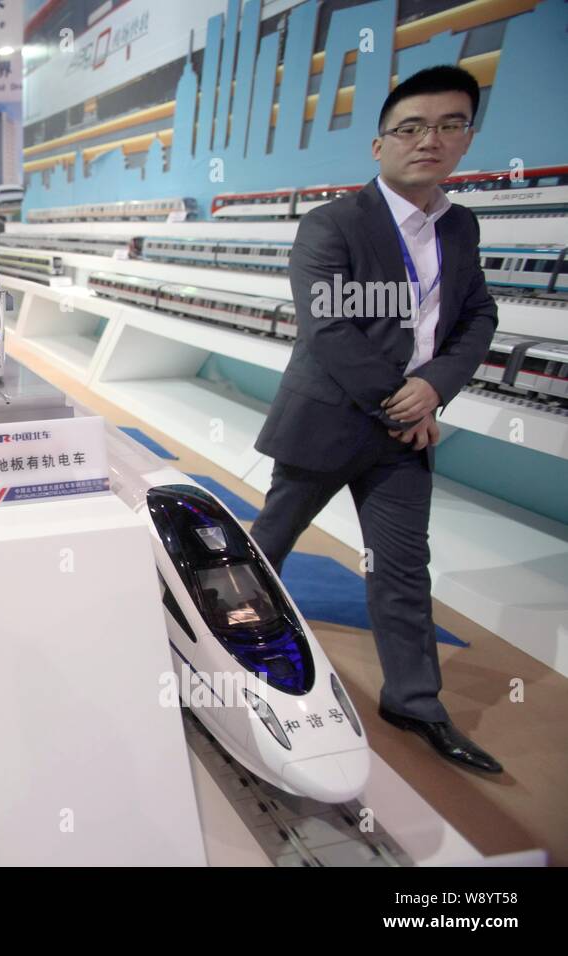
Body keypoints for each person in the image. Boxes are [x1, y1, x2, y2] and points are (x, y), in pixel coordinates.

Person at [248, 66, 501, 774]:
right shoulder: (333, 223)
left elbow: (478, 314)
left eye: (451, 125)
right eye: (412, 127)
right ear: (379, 144)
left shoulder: (461, 227)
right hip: (330, 421)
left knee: (402, 568)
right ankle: (221, 652)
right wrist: (406, 403)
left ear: (467, 138)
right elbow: (329, 332)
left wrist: (435, 388)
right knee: (268, 546)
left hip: (404, 435)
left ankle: (415, 701)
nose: (432, 139)